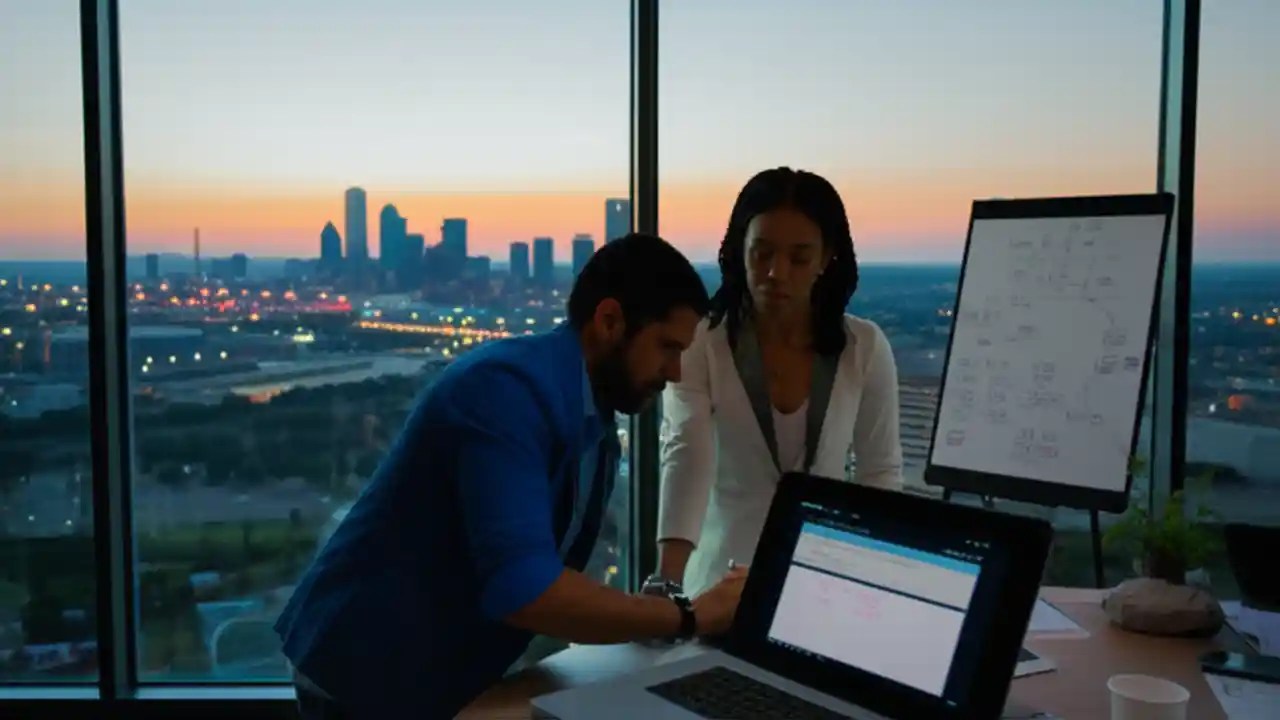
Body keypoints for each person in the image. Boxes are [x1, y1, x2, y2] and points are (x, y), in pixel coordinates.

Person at [275, 233, 748, 719]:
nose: (673, 372)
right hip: (365, 671)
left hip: (428, 668)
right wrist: (686, 617)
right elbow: (526, 589)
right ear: (609, 322)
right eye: (666, 347)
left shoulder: (590, 413)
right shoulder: (503, 393)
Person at [648, 167, 904, 600]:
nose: (775, 273)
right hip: (715, 589)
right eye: (761, 253)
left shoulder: (864, 348)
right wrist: (666, 582)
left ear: (826, 259)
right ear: (738, 250)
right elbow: (684, 453)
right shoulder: (702, 344)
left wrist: (873, 584)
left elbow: (879, 473)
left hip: (824, 586)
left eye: (799, 257)